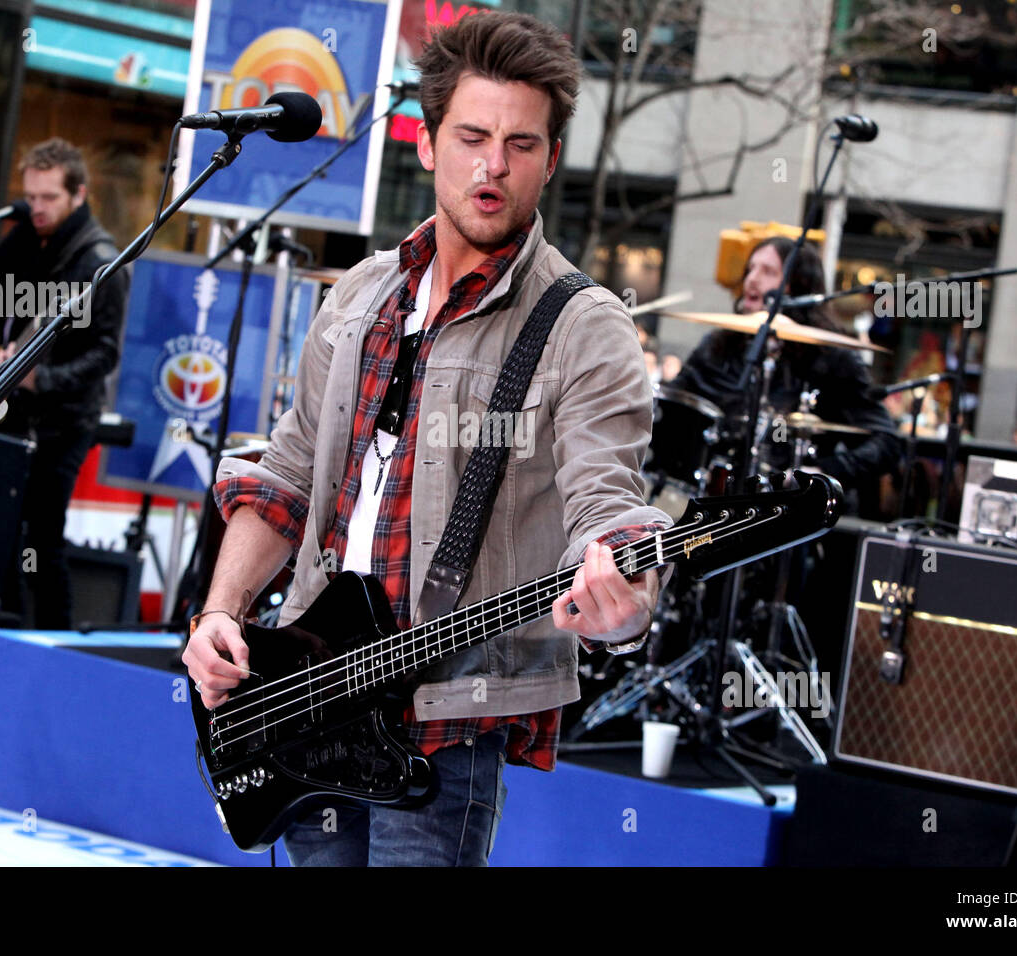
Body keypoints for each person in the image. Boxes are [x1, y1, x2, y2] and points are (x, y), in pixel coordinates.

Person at [182, 12, 670, 867]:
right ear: (426, 142)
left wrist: (624, 592)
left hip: (453, 712)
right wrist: (223, 611)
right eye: (473, 136)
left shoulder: (585, 327)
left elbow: (608, 502)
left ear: (550, 160)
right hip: (311, 692)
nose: (493, 166)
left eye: (522, 144)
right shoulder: (364, 292)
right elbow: (288, 472)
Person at [0, 138, 130, 629]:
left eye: (49, 197)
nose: (37, 208)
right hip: (13, 414)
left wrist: (40, 378)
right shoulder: (26, 243)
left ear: (78, 194)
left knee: (41, 538)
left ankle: (53, 640)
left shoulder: (98, 260)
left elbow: (105, 354)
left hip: (62, 423)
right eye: (31, 197)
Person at [672, 236, 900, 507]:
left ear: (798, 286)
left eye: (768, 272)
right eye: (750, 269)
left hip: (787, 513)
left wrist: (825, 472)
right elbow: (672, 406)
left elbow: (886, 442)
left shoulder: (832, 359)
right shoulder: (718, 347)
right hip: (708, 501)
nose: (752, 280)